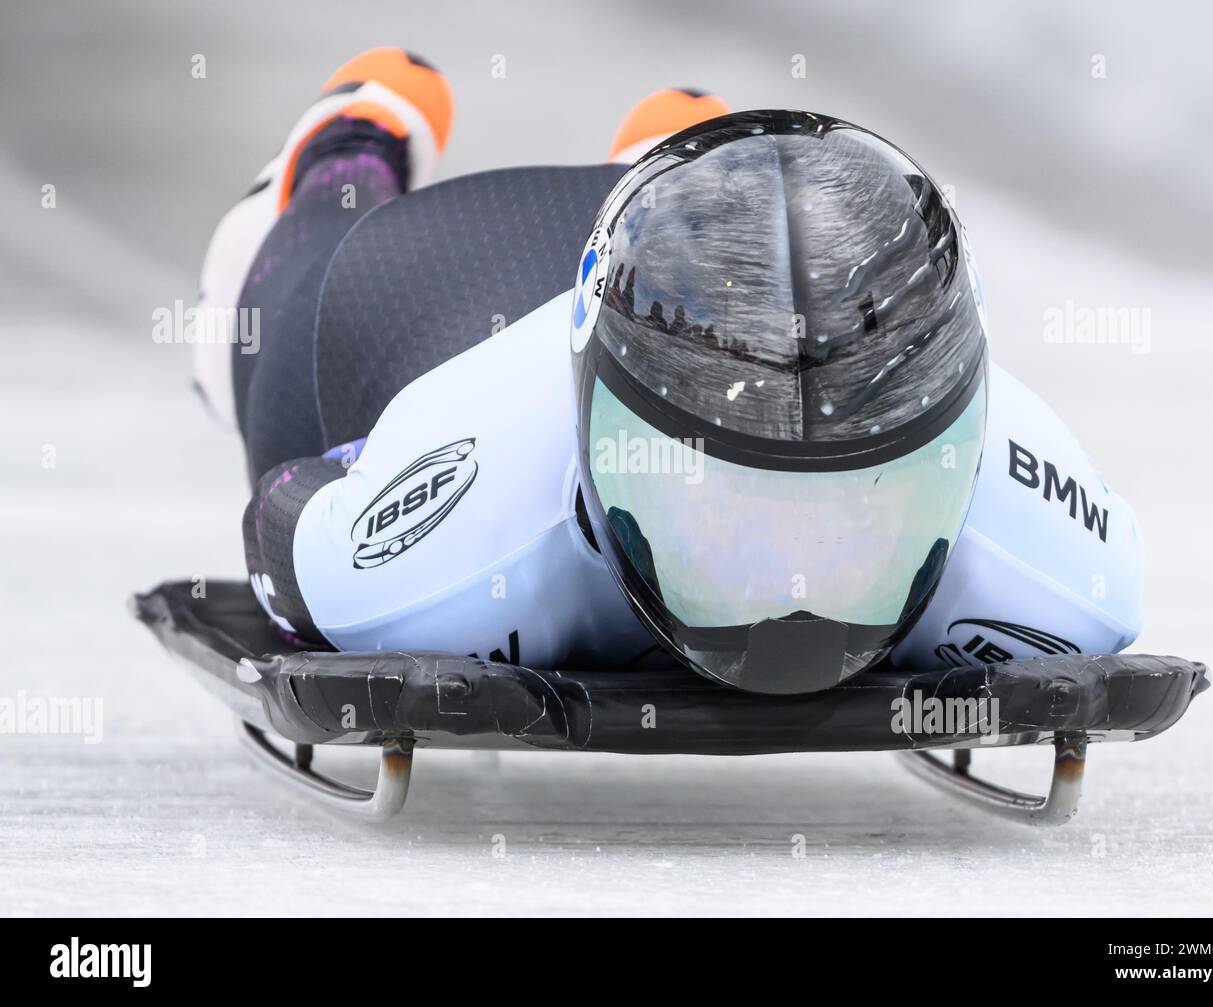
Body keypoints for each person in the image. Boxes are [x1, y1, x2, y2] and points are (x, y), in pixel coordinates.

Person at [197, 48, 1143, 694]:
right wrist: (371, 460)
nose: (795, 596)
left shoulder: (1066, 568)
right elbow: (294, 513)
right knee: (265, 332)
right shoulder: (439, 557)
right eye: (726, 510)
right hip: (442, 288)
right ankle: (344, 150)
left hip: (627, 306)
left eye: (864, 511)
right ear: (595, 438)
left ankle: (673, 152)